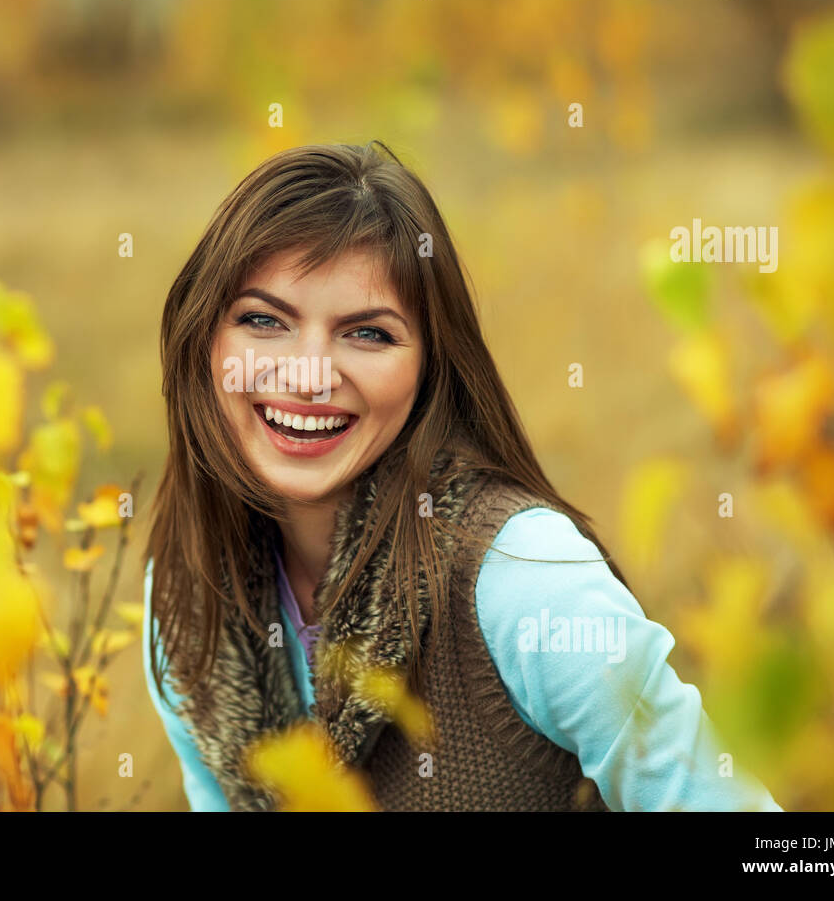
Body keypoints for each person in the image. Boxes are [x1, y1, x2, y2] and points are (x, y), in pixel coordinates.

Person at [142, 140, 782, 812]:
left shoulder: (525, 577)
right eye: (264, 321)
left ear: (430, 370)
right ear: (203, 340)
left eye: (367, 334)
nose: (307, 374)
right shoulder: (186, 600)